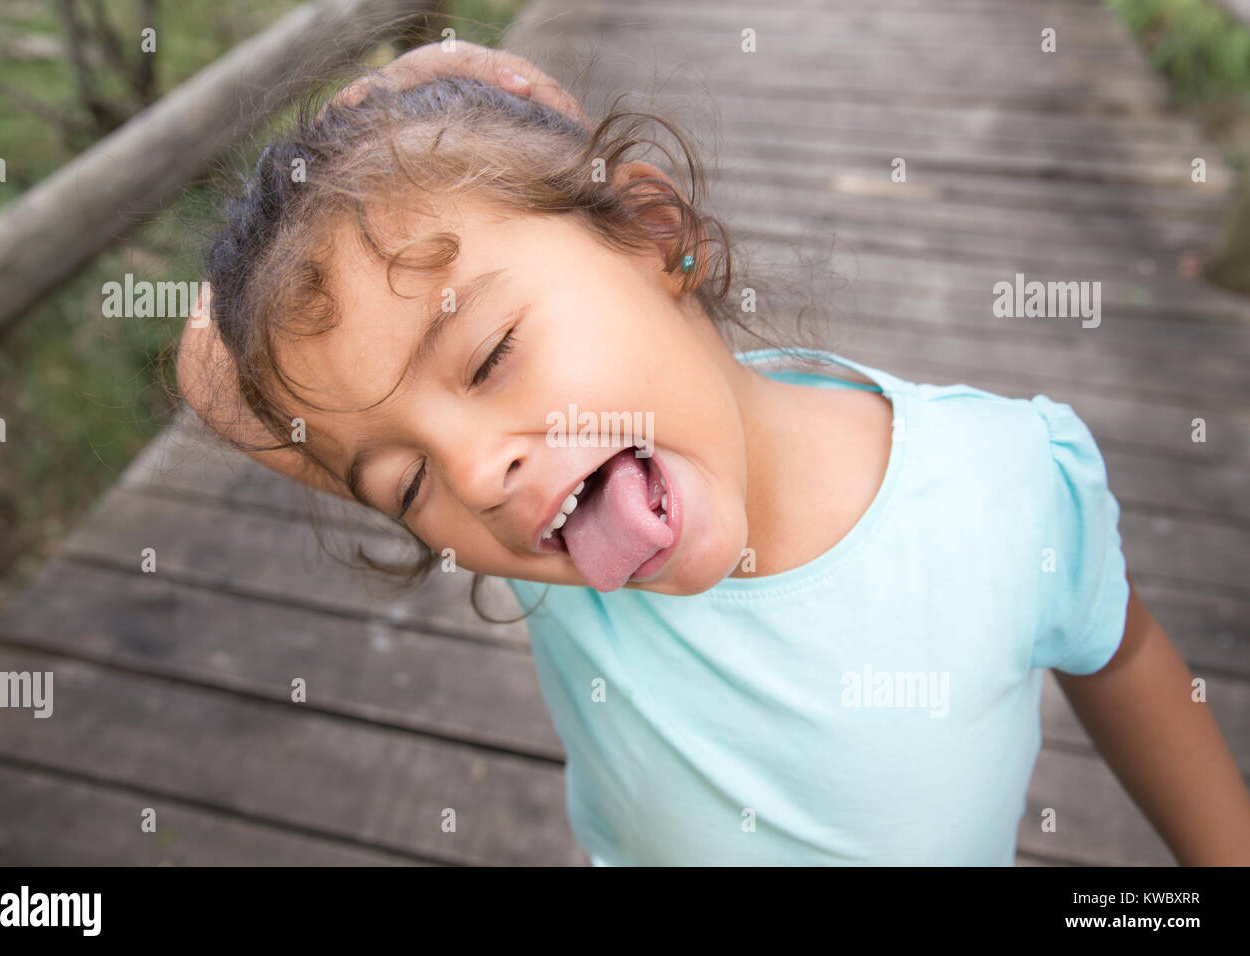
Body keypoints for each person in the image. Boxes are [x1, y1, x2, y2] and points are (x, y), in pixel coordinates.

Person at [175, 40, 1250, 866]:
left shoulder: (1004, 482)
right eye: (407, 485)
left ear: (653, 232)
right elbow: (217, 378)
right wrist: (343, 138)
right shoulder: (564, 556)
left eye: (492, 353)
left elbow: (1125, 658)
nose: (472, 477)